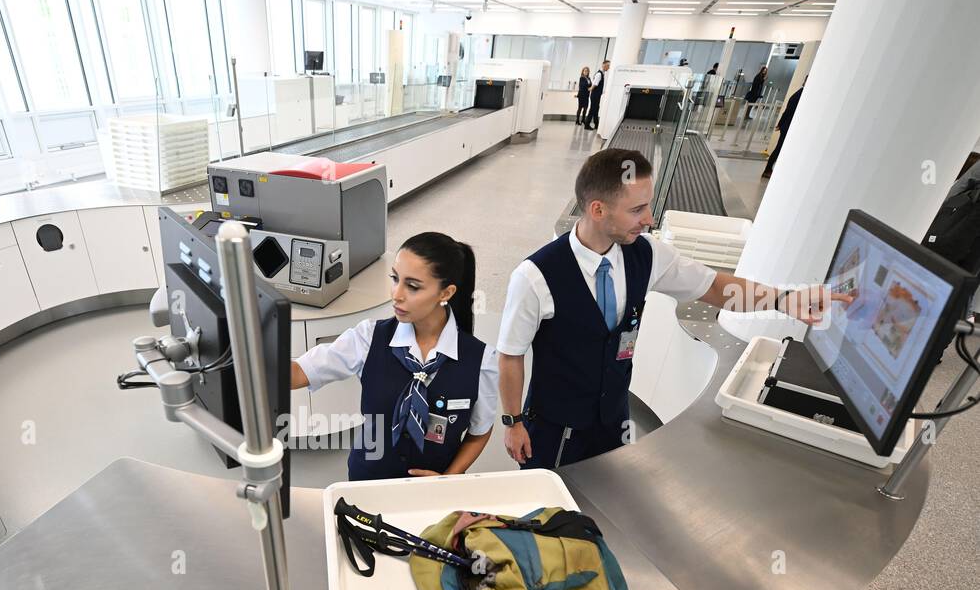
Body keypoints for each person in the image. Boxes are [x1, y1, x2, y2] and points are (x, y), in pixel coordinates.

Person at [496, 149, 849, 470]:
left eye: (648, 206)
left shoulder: (646, 255)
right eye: (636, 209)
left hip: (615, 419)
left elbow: (713, 287)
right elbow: (511, 355)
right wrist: (513, 423)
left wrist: (783, 299)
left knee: (605, 502)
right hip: (557, 427)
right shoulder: (535, 277)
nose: (649, 219)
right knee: (549, 515)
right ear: (598, 209)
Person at [291, 232, 498, 481]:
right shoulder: (368, 337)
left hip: (433, 493)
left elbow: (480, 432)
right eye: (395, 278)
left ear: (446, 293)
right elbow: (297, 374)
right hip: (366, 482)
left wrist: (448, 480)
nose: (396, 294)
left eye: (412, 286)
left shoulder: (481, 360)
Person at [762, 83, 803, 178]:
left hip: (787, 126)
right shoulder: (798, 95)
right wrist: (780, 124)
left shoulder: (800, 94)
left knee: (780, 149)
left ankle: (770, 170)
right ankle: (767, 170)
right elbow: (788, 111)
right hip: (787, 127)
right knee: (779, 149)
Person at [585, 59, 609, 130]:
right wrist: (590, 89)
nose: (609, 67)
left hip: (597, 95)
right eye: (608, 66)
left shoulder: (602, 73)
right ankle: (587, 125)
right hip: (595, 95)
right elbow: (595, 84)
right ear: (603, 65)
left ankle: (596, 124)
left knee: (596, 109)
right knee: (592, 109)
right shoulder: (599, 74)